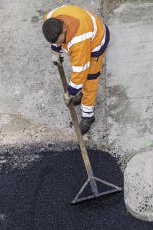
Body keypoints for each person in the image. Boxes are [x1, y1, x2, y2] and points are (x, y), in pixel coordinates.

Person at [42, 4, 110, 135]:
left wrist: (71, 92)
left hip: (96, 43)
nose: (59, 44)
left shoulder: (79, 42)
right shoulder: (50, 19)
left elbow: (80, 73)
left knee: (90, 79)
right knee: (82, 79)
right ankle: (81, 94)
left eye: (60, 41)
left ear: (63, 28)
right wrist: (56, 51)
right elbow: (56, 40)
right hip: (87, 27)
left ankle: (88, 116)